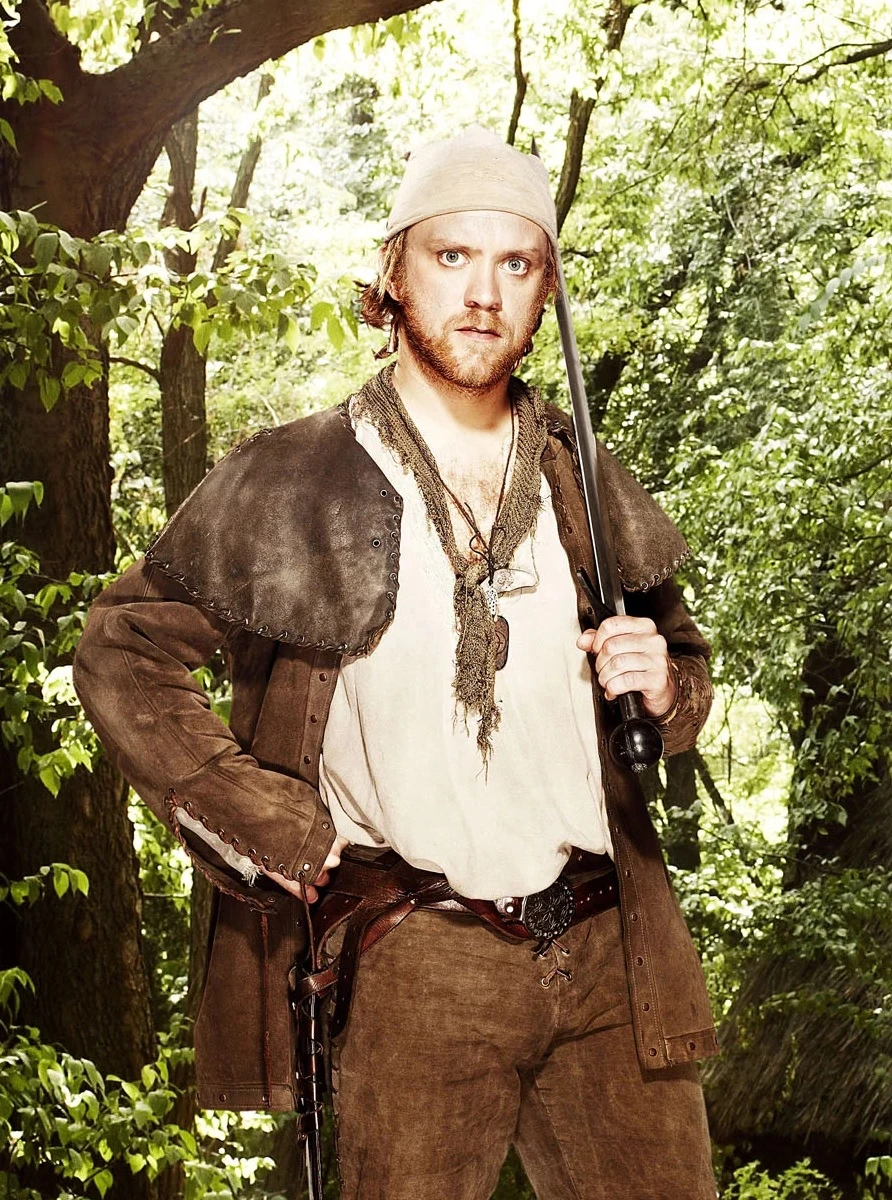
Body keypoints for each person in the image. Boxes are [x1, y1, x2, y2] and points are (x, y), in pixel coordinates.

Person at [73, 126, 718, 1199]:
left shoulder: (582, 475)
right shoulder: (291, 475)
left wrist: (664, 685)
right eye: (451, 256)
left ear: (547, 291)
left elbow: (681, 669)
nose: (484, 293)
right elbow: (122, 648)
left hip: (612, 951)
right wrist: (262, 818)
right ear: (394, 271)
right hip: (418, 962)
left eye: (516, 264)